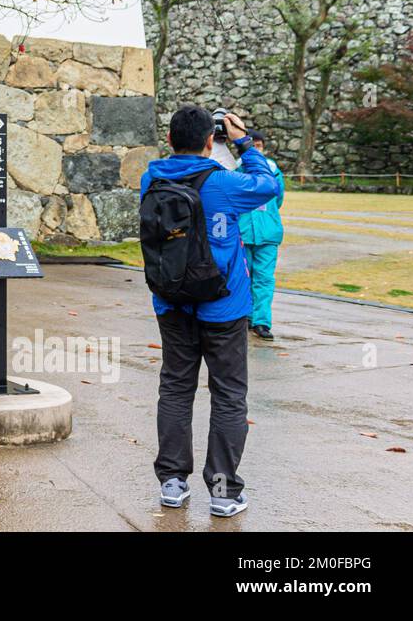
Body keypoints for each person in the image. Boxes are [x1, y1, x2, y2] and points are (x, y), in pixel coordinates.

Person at [140, 106, 278, 518]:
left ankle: (172, 483)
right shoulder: (224, 182)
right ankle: (222, 491)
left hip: (171, 301)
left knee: (176, 388)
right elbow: (268, 184)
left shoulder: (152, 178)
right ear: (208, 142)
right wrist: (241, 140)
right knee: (229, 395)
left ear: (169, 139)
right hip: (223, 305)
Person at [238, 131, 285, 341]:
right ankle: (246, 315)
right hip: (243, 231)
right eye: (252, 145)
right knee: (244, 276)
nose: (256, 150)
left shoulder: (273, 170)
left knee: (264, 278)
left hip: (267, 233)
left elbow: (278, 199)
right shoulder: (237, 169)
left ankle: (262, 321)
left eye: (259, 146)